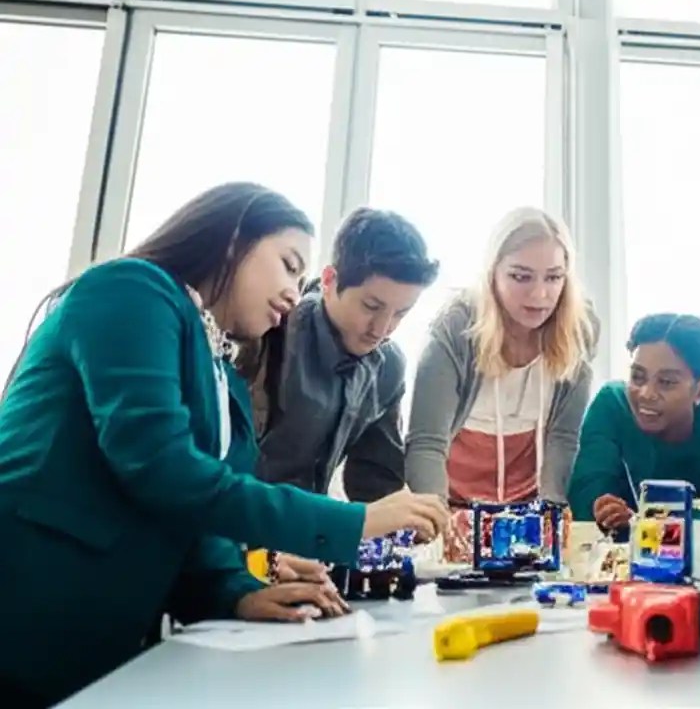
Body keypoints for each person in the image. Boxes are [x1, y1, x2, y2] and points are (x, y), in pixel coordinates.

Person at [0, 183, 449, 707]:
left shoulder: (222, 371)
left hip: (107, 634)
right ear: (236, 238)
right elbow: (163, 470)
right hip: (28, 602)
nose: (292, 291)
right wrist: (356, 521)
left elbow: (197, 513)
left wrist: (236, 590)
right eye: (287, 263)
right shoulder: (131, 289)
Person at [405, 207, 597, 561]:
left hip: (526, 517)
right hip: (455, 509)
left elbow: (563, 438)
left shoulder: (580, 329)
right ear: (492, 273)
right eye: (521, 277)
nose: (540, 295)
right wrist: (438, 522)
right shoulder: (456, 328)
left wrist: (551, 514)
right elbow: (426, 442)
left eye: (554, 278)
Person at [239, 207, 439, 503]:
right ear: (330, 280)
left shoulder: (389, 366)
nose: (382, 329)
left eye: (401, 313)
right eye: (371, 306)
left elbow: (375, 486)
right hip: (235, 527)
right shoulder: (271, 332)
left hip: (310, 537)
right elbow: (226, 471)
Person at [568, 313, 700, 533]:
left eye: (666, 382)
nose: (646, 394)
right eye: (638, 377)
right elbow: (586, 500)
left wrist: (643, 526)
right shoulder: (612, 405)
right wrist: (604, 511)